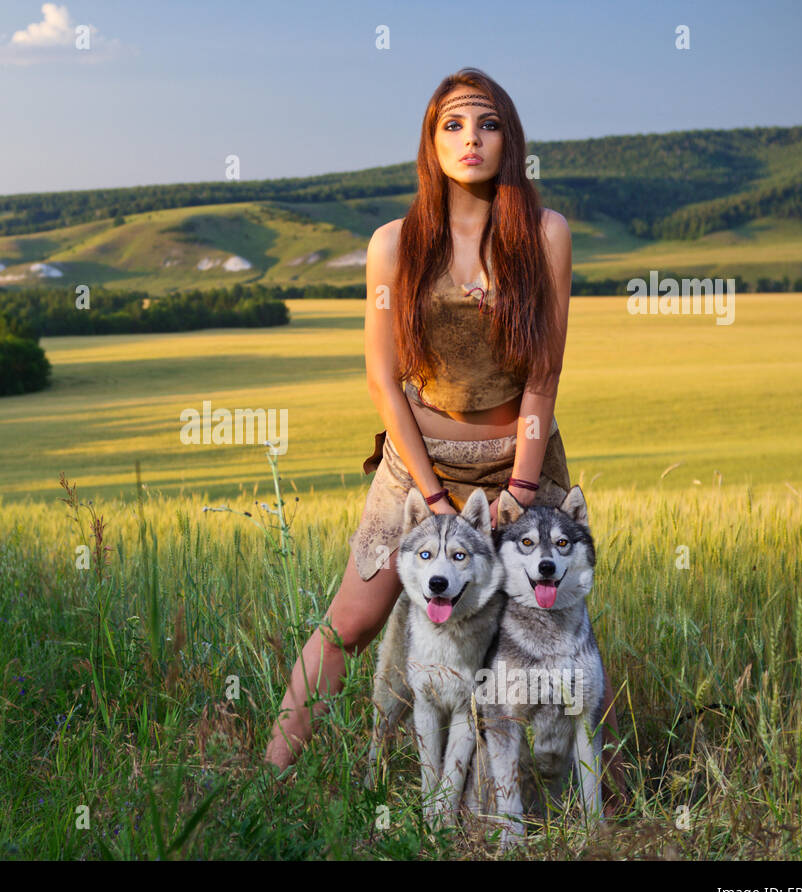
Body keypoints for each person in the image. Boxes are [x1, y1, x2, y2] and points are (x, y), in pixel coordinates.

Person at [263, 67, 630, 812]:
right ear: (430, 143)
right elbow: (383, 380)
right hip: (419, 468)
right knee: (350, 622)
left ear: (510, 139)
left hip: (519, 463)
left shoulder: (545, 234)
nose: (471, 138)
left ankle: (603, 799)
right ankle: (263, 779)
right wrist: (433, 497)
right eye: (453, 124)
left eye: (488, 123)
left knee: (555, 618)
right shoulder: (394, 244)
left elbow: (544, 374)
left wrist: (521, 494)